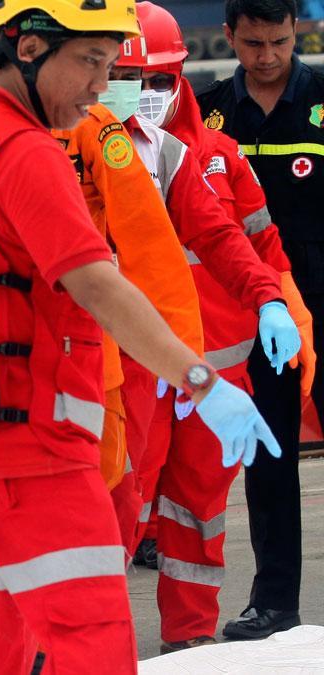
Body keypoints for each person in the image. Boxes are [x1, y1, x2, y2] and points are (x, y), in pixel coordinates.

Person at [0, 0, 281, 670]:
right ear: (27, 50)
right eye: (90, 61)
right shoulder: (27, 152)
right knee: (94, 638)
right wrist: (199, 380)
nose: (98, 85)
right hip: (29, 443)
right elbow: (99, 285)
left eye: (111, 66)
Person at [108, 2, 313, 650]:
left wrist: (278, 302)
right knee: (114, 510)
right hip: (125, 369)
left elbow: (238, 242)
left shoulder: (192, 156)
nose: (144, 97)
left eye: (158, 82)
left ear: (180, 76)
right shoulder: (77, 149)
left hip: (214, 372)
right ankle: (92, 640)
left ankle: (188, 642)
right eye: (128, 79)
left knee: (198, 514)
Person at [195, 0, 323, 640]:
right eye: (251, 44)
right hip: (258, 313)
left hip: (321, 298)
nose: (266, 57)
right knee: (270, 457)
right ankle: (274, 603)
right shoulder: (205, 110)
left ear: (296, 31)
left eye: (278, 41)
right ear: (229, 37)